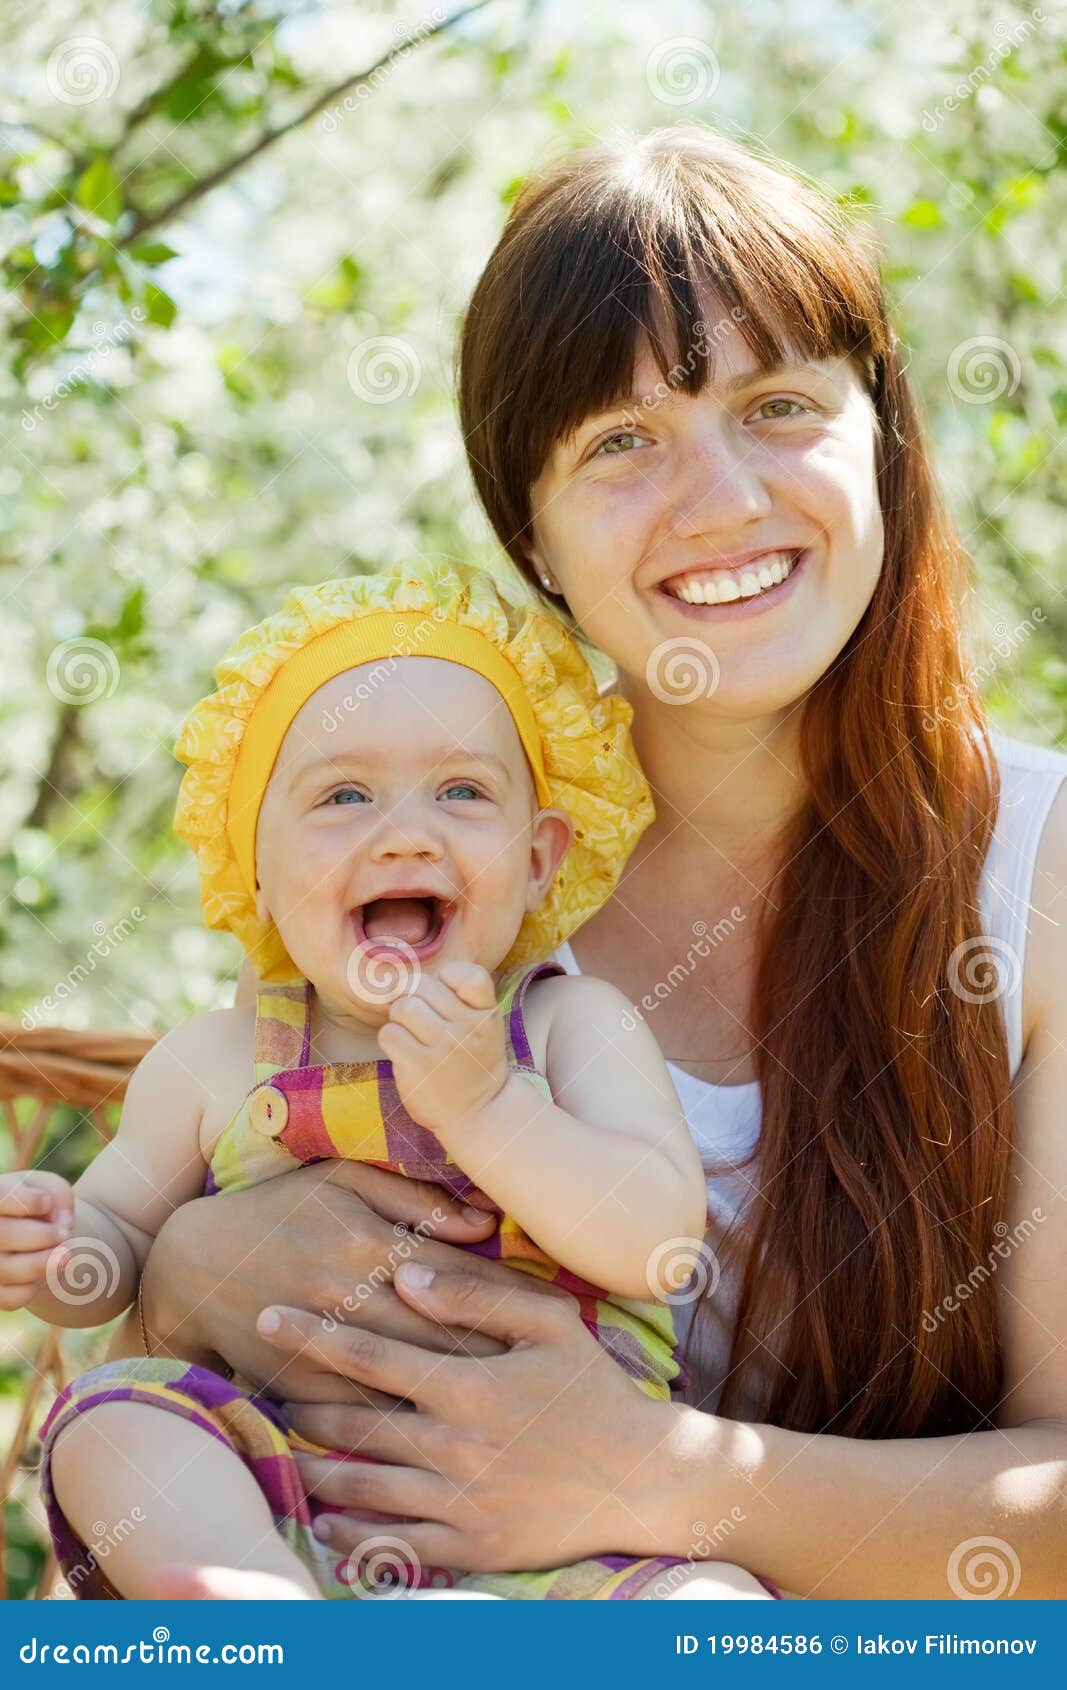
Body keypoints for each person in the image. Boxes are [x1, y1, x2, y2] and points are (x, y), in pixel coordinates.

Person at [109, 126, 1067, 1601]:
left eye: (777, 405)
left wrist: (651, 1474)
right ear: (531, 533)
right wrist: (182, 1273)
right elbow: (190, 1329)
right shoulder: (442, 859)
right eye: (619, 441)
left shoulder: (1040, 870)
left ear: (879, 440)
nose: (722, 500)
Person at [12, 558, 760, 1599]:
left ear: (540, 857)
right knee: (109, 1430)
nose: (406, 830)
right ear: (258, 873)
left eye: (461, 790)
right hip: (278, 1493)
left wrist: (489, 1106)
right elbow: (119, 1254)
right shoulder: (218, 1061)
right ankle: (253, 1609)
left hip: (551, 1533)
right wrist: (53, 1243)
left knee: (717, 1608)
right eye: (344, 794)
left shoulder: (566, 1026)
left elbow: (657, 1243)